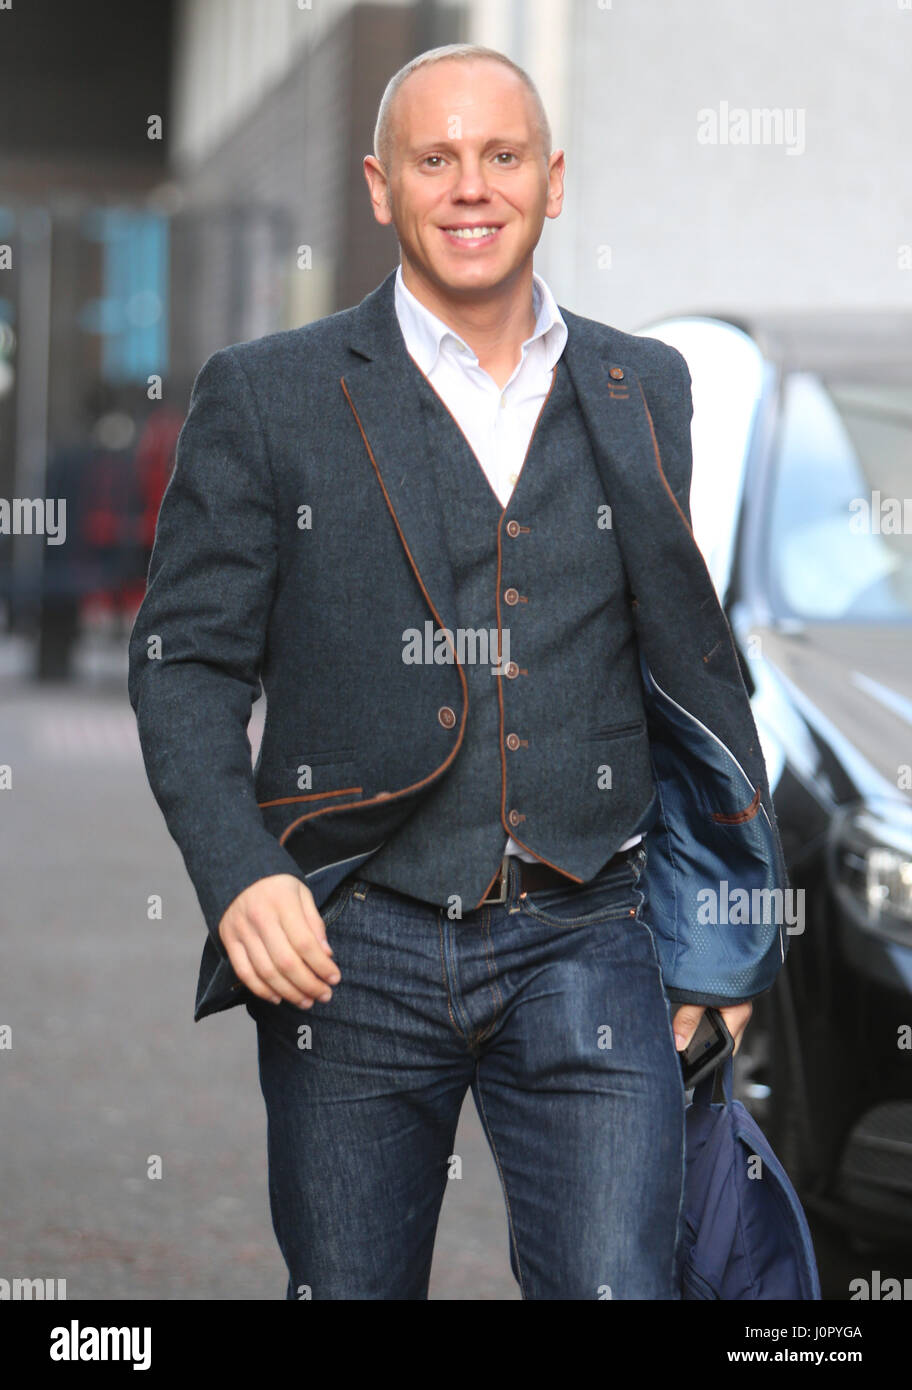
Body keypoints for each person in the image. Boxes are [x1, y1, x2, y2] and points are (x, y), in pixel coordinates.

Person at [128, 43, 789, 1300]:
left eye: (501, 156)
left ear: (553, 180)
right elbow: (183, 664)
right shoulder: (268, 396)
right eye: (436, 158)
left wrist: (726, 940)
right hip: (352, 946)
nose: (471, 186)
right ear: (382, 186)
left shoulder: (643, 383)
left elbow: (695, 672)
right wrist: (237, 870)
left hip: (589, 932)